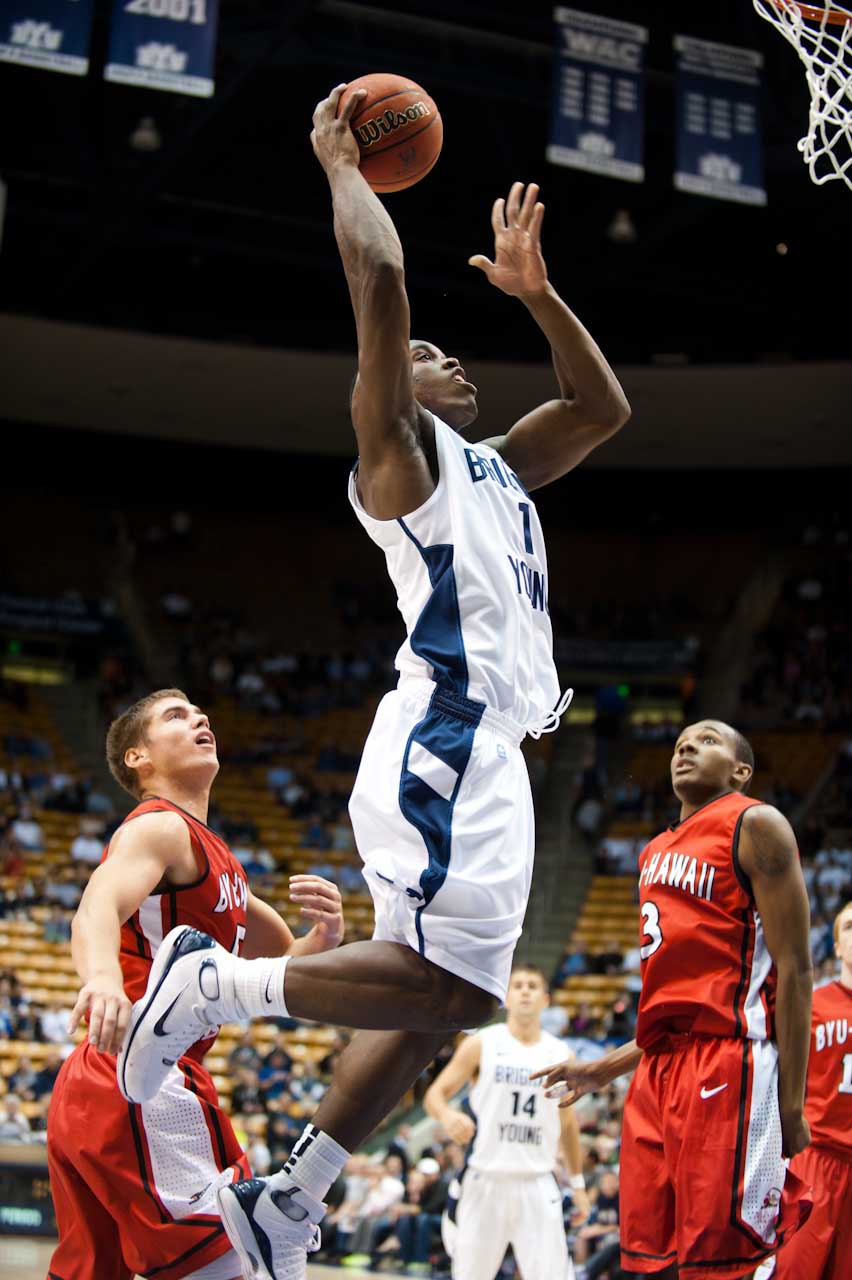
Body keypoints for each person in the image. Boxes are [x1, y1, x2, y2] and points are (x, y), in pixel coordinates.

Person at [117, 81, 630, 1280]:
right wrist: (345, 168)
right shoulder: (402, 465)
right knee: (454, 991)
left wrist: (541, 295)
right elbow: (385, 292)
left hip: (476, 746)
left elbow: (602, 406)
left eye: (454, 352)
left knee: (417, 1004)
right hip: (448, 734)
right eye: (425, 357)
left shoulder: (498, 467)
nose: (447, 357)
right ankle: (213, 984)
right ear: (401, 387)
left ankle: (290, 1198)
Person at [47, 688, 344, 1280]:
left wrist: (326, 934)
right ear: (139, 757)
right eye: (176, 717)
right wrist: (103, 979)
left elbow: (285, 966)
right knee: (236, 1264)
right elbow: (96, 907)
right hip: (138, 1076)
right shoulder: (159, 828)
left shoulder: (219, 860)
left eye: (200, 713)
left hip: (109, 1087)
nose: (200, 719)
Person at [534, 720, 813, 1280]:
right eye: (682, 741)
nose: (686, 746)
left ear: (741, 771)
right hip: (659, 1070)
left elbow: (797, 969)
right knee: (656, 1257)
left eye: (708, 740)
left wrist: (790, 1102)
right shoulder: (655, 849)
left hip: (728, 1064)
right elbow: (677, 1008)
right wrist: (604, 1070)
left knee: (728, 1259)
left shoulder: (755, 824)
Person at [424, 964, 590, 1280]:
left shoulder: (560, 1053)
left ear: (545, 999)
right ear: (506, 997)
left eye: (532, 986)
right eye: (518, 985)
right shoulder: (482, 1043)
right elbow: (435, 1095)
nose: (525, 990)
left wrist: (578, 1184)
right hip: (485, 1179)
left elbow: (568, 1125)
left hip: (537, 1182)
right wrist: (448, 1116)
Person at [771, 899, 852, 1279]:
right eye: (849, 927)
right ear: (836, 946)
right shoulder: (812, 1005)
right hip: (816, 1159)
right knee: (795, 1270)